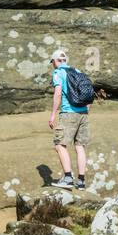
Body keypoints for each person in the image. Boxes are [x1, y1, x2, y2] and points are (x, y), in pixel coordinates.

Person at [48, 49, 90, 190]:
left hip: (68, 113)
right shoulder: (77, 71)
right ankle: (82, 182)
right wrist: (86, 110)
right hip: (83, 113)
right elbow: (88, 91)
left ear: (55, 61)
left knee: (60, 145)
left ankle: (67, 178)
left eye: (52, 62)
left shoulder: (58, 73)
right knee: (79, 147)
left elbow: (58, 93)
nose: (53, 64)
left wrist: (53, 114)